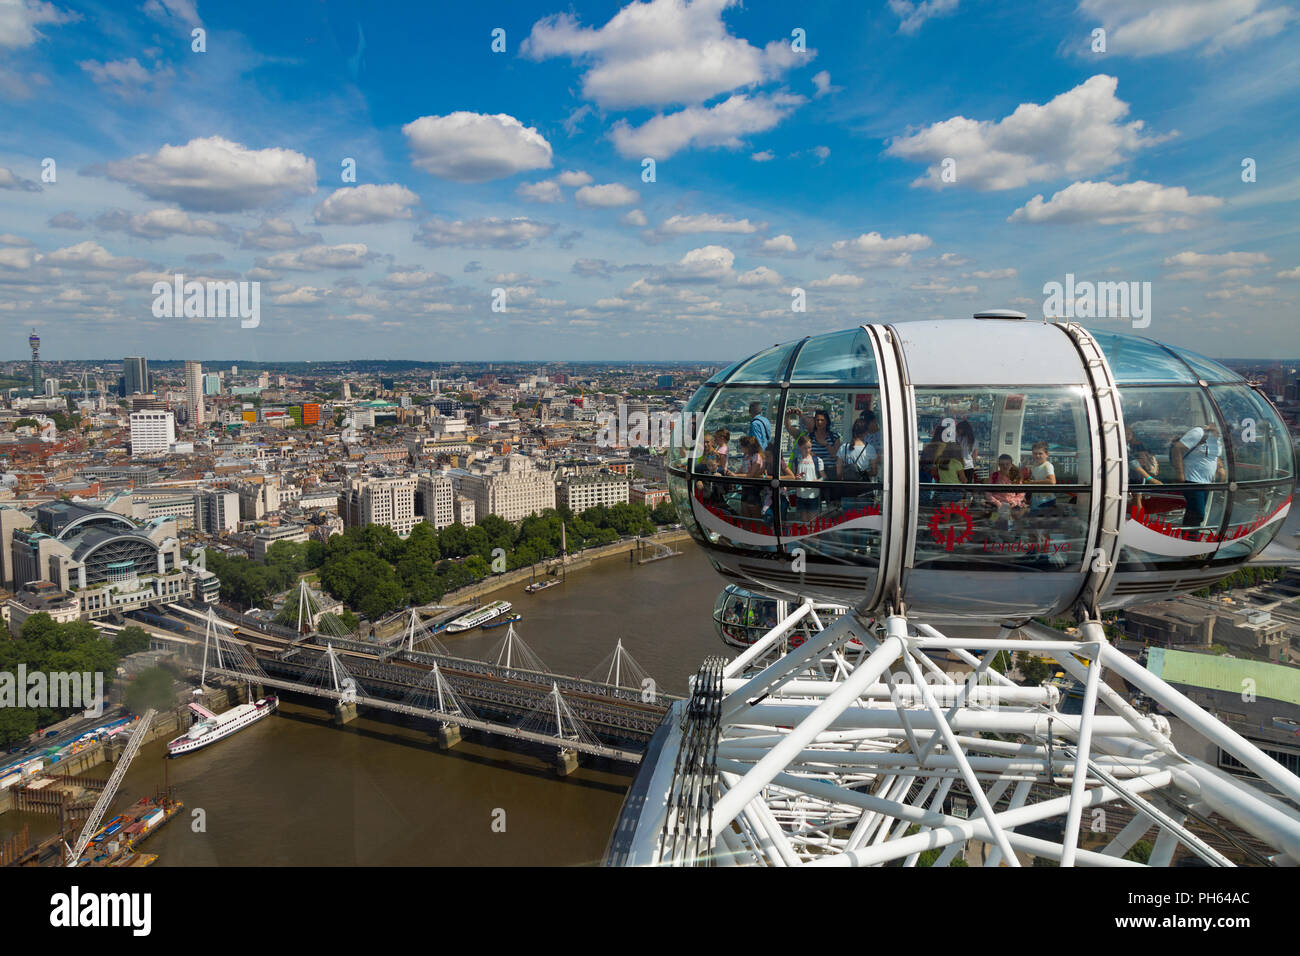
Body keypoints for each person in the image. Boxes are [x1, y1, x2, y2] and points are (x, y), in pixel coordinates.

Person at [1170, 421, 1225, 528]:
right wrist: (1180, 474)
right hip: (1192, 479)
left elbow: (1214, 455)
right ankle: (1191, 539)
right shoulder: (1199, 433)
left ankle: (1189, 537)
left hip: (1207, 481)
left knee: (1195, 512)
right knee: (1197, 513)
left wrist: (1220, 468)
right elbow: (1177, 449)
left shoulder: (1218, 440)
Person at [791, 435, 823, 519]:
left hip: (813, 494)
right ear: (799, 447)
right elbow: (794, 476)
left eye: (809, 447)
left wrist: (819, 480)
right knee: (804, 521)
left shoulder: (817, 460)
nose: (807, 450)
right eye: (805, 448)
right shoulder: (797, 460)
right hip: (800, 494)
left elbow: (824, 477)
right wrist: (796, 478)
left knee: (812, 520)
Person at [1027, 441, 1057, 511]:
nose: (1037, 456)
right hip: (1036, 500)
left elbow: (1052, 481)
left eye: (1040, 453)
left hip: (1047, 501)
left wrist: (1033, 482)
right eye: (1035, 453)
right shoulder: (1034, 466)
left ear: (1047, 454)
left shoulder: (1047, 466)